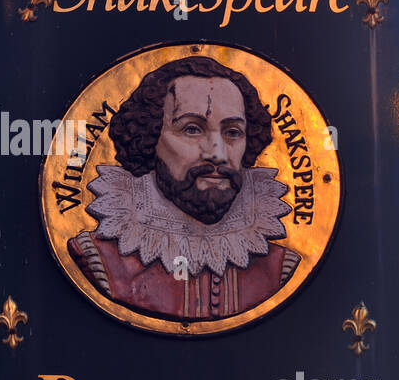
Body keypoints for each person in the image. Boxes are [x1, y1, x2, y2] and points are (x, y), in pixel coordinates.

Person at [67, 56, 299, 322]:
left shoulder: (277, 268)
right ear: (149, 137)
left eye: (233, 132)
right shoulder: (102, 261)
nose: (218, 154)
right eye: (192, 129)